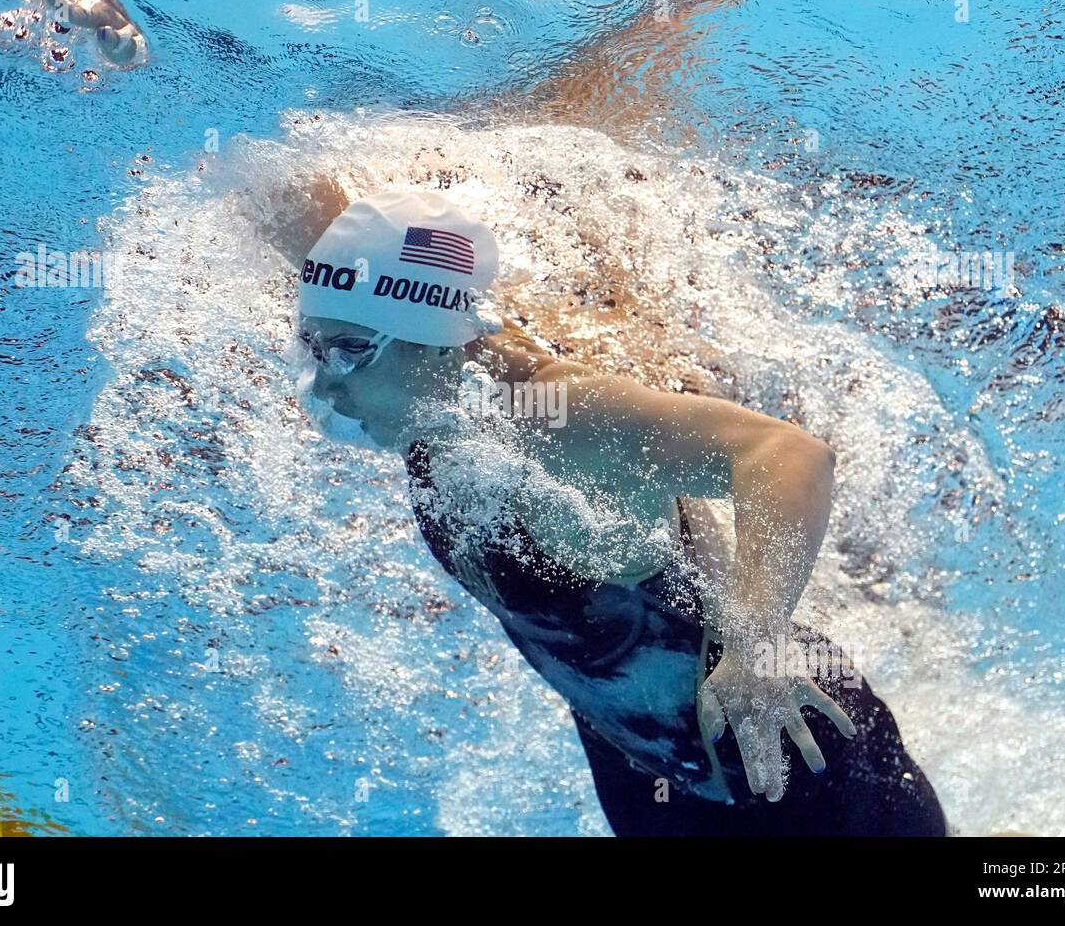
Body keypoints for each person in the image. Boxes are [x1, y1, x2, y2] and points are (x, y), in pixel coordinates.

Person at [284, 188, 948, 836]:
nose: (329, 381)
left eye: (347, 351)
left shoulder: (553, 420)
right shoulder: (422, 383)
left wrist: (754, 642)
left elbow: (786, 453)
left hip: (784, 757)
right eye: (316, 347)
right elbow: (323, 221)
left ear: (427, 340)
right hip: (642, 779)